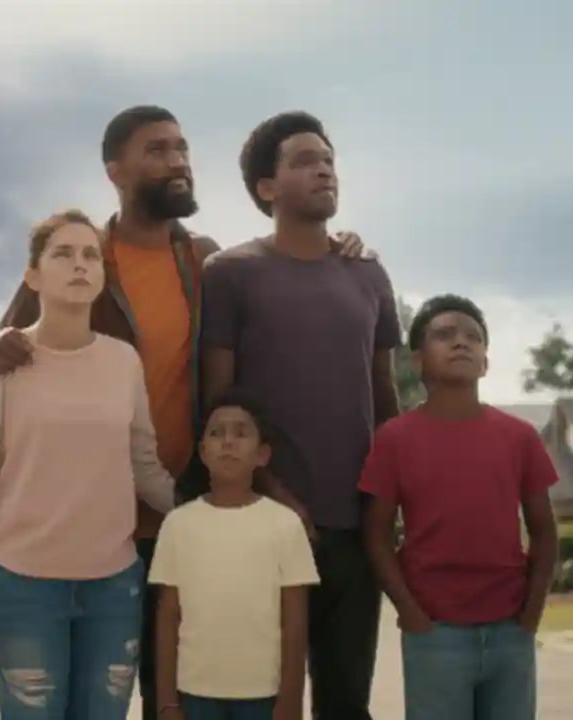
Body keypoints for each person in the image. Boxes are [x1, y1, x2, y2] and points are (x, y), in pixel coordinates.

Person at [0, 105, 372, 719]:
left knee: (182, 690)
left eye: (183, 148)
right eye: (157, 150)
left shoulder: (203, 260)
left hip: (179, 507)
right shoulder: (85, 258)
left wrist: (341, 246)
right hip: (91, 523)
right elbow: (5, 347)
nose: (178, 161)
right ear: (115, 170)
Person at [200, 110, 402, 719]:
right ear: (267, 187)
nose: (324, 170)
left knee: (346, 706)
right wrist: (269, 491)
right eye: (304, 161)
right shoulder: (230, 273)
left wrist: (393, 502)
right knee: (258, 704)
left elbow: (386, 396)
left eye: (329, 160)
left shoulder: (366, 271)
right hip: (260, 523)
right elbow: (217, 403)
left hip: (353, 526)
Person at [0, 209, 177, 720]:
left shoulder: (123, 363)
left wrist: (203, 510)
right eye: (63, 254)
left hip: (114, 588)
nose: (80, 264)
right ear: (33, 276)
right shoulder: (4, 366)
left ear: (102, 274)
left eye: (91, 255)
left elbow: (144, 466)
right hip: (22, 588)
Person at [359, 294, 558, 720]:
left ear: (485, 362)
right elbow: (375, 533)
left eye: (473, 337)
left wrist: (531, 615)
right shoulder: (395, 439)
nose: (461, 343)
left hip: (510, 631)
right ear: (418, 361)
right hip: (434, 633)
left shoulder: (520, 437)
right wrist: (409, 613)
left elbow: (544, 530)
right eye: (444, 335)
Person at [151, 390, 318, 720]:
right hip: (194, 694)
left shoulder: (286, 525)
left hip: (263, 697)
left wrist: (290, 700)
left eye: (241, 433)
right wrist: (167, 701)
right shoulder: (178, 524)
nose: (228, 442)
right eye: (217, 433)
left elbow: (295, 621)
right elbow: (168, 617)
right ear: (202, 451)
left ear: (263, 454)